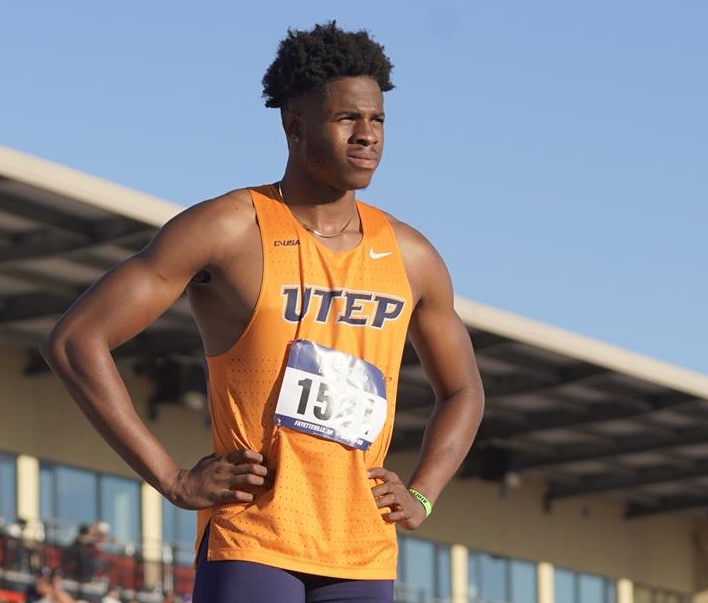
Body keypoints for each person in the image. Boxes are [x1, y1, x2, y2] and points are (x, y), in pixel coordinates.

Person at [41, 21, 484, 603]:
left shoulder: (412, 256)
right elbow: (76, 340)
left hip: (363, 549)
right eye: (347, 118)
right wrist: (172, 478)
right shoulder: (227, 229)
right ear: (294, 125)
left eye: (377, 120)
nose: (367, 136)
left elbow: (464, 392)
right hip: (253, 538)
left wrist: (423, 492)